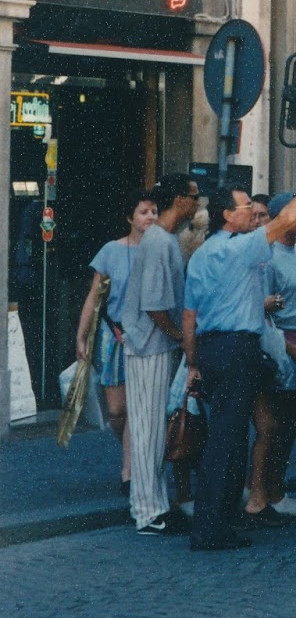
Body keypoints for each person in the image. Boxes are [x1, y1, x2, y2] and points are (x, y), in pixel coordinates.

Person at [183, 157, 296, 551]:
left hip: (213, 349)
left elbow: (190, 314)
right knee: (228, 440)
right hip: (236, 348)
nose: (252, 210)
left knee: (226, 437)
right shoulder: (240, 249)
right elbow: (287, 219)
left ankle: (218, 521)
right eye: (245, 206)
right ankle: (212, 528)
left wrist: (194, 361)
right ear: (225, 216)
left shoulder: (202, 255)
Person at [120, 174, 196, 536]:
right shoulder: (158, 242)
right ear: (180, 200)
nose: (198, 205)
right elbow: (153, 305)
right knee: (149, 429)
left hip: (154, 344)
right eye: (194, 198)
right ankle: (148, 511)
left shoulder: (161, 240)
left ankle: (156, 505)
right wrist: (179, 337)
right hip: (149, 345)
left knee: (152, 428)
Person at [74, 190, 158, 495]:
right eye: (144, 212)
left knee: (137, 407)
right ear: (130, 218)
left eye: (154, 211)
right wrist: (81, 335)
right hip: (114, 336)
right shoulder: (111, 250)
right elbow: (95, 296)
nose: (150, 217)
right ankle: (131, 453)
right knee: (117, 410)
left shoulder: (160, 249)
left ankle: (129, 470)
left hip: (145, 337)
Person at [248, 192, 296, 520]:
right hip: (281, 352)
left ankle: (276, 491)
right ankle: (264, 493)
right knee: (272, 428)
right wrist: (288, 349)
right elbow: (260, 312)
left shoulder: (294, 254)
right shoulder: (270, 257)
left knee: (290, 427)